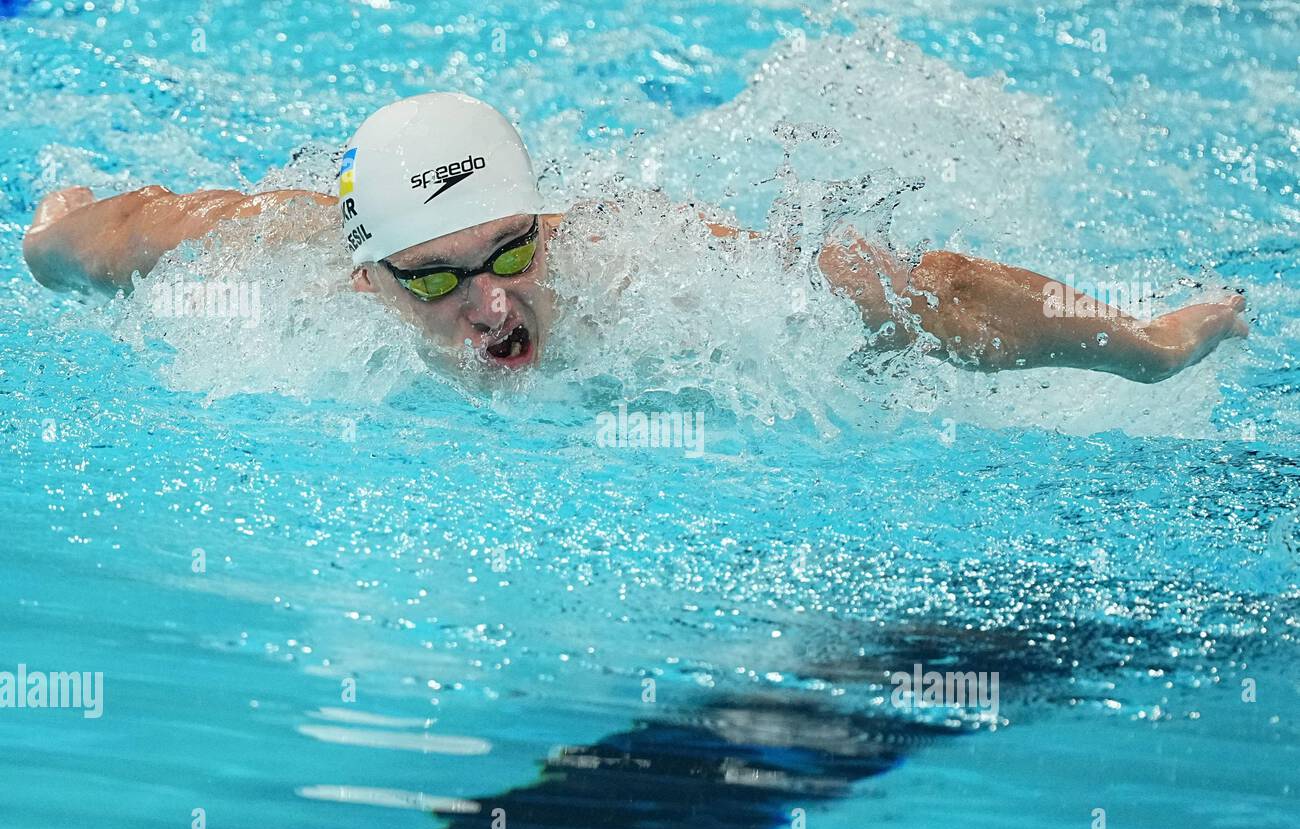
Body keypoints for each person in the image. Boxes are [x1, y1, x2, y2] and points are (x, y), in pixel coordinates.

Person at [22, 92, 1247, 382]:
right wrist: (49, 233)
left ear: (542, 224)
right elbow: (119, 234)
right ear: (367, 272)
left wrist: (1138, 341)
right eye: (434, 279)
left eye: (509, 252)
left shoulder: (644, 271)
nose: (489, 305)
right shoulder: (283, 268)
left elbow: (926, 292)